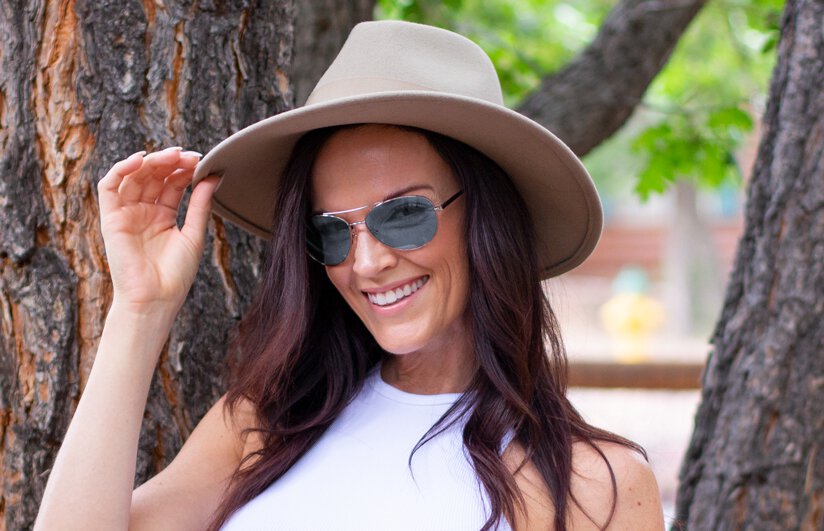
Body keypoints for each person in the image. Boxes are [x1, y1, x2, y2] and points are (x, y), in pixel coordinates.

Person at [35, 20, 664, 531]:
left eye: (404, 216)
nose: (366, 262)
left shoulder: (596, 486)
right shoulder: (264, 425)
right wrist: (141, 310)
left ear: (487, 218)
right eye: (332, 231)